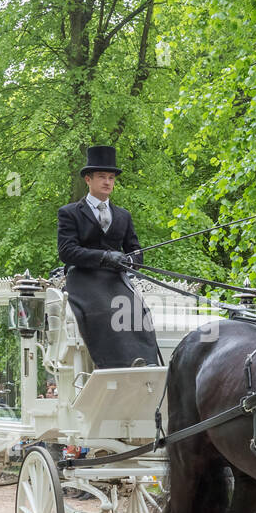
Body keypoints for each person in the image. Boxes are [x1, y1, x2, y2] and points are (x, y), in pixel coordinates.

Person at [56, 144, 160, 369]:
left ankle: (143, 363)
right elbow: (66, 251)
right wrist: (104, 256)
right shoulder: (69, 213)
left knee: (137, 312)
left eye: (111, 177)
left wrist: (129, 261)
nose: (107, 182)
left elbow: (136, 251)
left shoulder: (123, 215)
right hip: (83, 279)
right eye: (102, 176)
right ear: (88, 179)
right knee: (105, 311)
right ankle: (110, 365)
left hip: (115, 280)